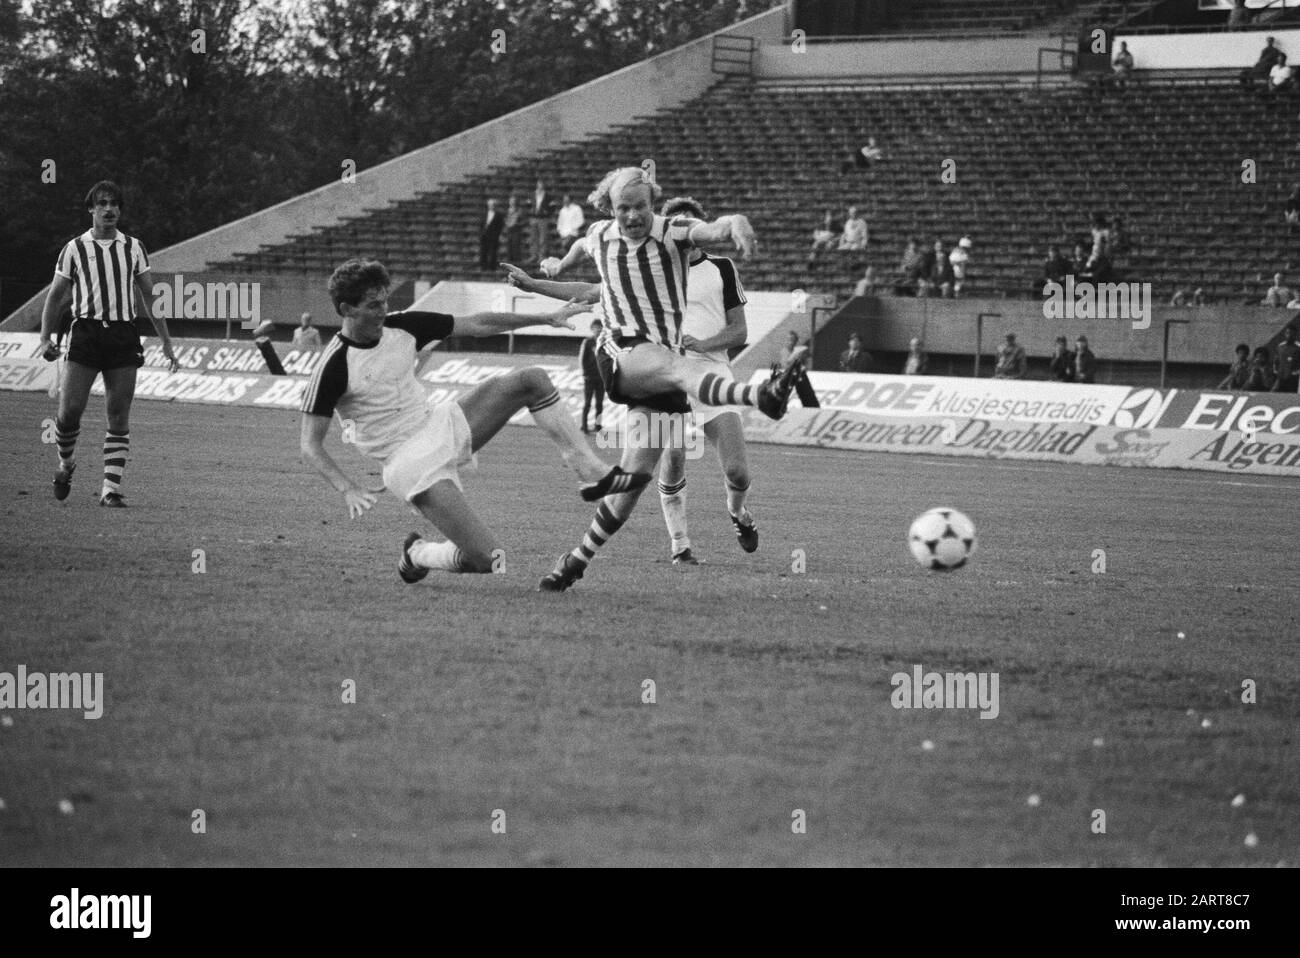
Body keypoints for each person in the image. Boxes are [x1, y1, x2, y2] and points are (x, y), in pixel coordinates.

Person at [502, 166, 799, 592]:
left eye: (640, 206)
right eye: (624, 208)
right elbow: (577, 259)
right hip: (623, 357)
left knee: (634, 481)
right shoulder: (600, 235)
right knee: (678, 368)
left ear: (652, 204)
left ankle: (575, 560)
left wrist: (734, 225)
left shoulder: (673, 233)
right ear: (611, 208)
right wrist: (543, 274)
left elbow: (710, 232)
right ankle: (759, 394)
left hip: (664, 375)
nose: (633, 215)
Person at [299, 258, 651, 583]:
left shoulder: (402, 326)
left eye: (384, 301)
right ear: (346, 309)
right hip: (408, 463)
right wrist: (348, 488)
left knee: (532, 379)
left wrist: (544, 318)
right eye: (373, 305)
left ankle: (587, 468)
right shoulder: (334, 364)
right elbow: (310, 445)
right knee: (491, 560)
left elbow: (478, 323)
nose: (383, 311)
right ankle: (418, 553)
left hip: (439, 423)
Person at [38, 180, 179, 507]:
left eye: (114, 203)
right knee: (70, 411)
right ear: (91, 209)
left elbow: (150, 296)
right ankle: (66, 464)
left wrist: (167, 343)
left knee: (118, 414)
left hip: (122, 336)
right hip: (85, 333)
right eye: (102, 203)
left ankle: (109, 489)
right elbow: (56, 296)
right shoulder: (74, 249)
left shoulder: (133, 248)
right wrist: (45, 338)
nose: (109, 209)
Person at [646, 196, 760, 565]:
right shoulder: (654, 271)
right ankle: (680, 547)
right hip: (671, 376)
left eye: (689, 223)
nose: (683, 229)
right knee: (674, 455)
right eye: (675, 222)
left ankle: (738, 514)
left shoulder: (722, 268)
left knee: (737, 472)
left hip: (713, 373)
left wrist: (704, 343)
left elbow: (739, 332)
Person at [779, 330, 820, 407]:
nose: (791, 342)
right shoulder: (784, 352)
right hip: (788, 378)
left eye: (793, 340)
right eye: (789, 340)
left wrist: (805, 366)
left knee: (806, 394)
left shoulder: (801, 351)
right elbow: (785, 365)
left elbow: (808, 362)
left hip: (799, 378)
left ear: (796, 341)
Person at [578, 318, 604, 433]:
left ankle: (598, 426)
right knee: (587, 403)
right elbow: (582, 358)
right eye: (596, 327)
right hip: (589, 377)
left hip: (601, 378)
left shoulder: (604, 343)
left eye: (600, 327)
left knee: (599, 403)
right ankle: (584, 426)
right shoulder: (587, 342)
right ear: (592, 329)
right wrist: (584, 373)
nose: (598, 330)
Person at [530, 178, 554, 263]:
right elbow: (528, 204)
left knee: (543, 238)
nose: (541, 185)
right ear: (537, 184)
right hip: (534, 218)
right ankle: (534, 255)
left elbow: (552, 206)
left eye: (542, 184)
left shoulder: (548, 196)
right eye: (539, 183)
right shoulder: (532, 194)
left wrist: (547, 212)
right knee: (534, 237)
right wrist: (531, 212)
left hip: (543, 218)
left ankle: (542, 255)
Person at [478, 198, 505, 270]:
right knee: (483, 251)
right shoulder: (484, 214)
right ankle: (483, 267)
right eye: (490, 205)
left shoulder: (499, 215)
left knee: (493, 252)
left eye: (492, 205)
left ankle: (492, 267)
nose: (491, 206)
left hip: (494, 236)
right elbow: (481, 224)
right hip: (485, 235)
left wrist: (498, 235)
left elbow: (500, 226)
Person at [1272, 324, 1300, 392]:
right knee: (1274, 393)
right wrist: (1275, 370)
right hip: (1280, 377)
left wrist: (1295, 373)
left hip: (1293, 379)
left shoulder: (1298, 347)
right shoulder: (1280, 346)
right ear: (1285, 334)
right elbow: (1276, 360)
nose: (1289, 335)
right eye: (1288, 333)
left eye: (1292, 333)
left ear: (1295, 335)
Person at [504, 194, 524, 263]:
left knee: (516, 246)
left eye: (513, 201)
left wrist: (517, 223)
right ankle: (510, 261)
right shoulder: (507, 210)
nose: (512, 202)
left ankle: (516, 262)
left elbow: (523, 221)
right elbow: (506, 220)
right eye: (511, 201)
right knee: (509, 246)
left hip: (516, 230)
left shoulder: (519, 210)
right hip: (509, 230)